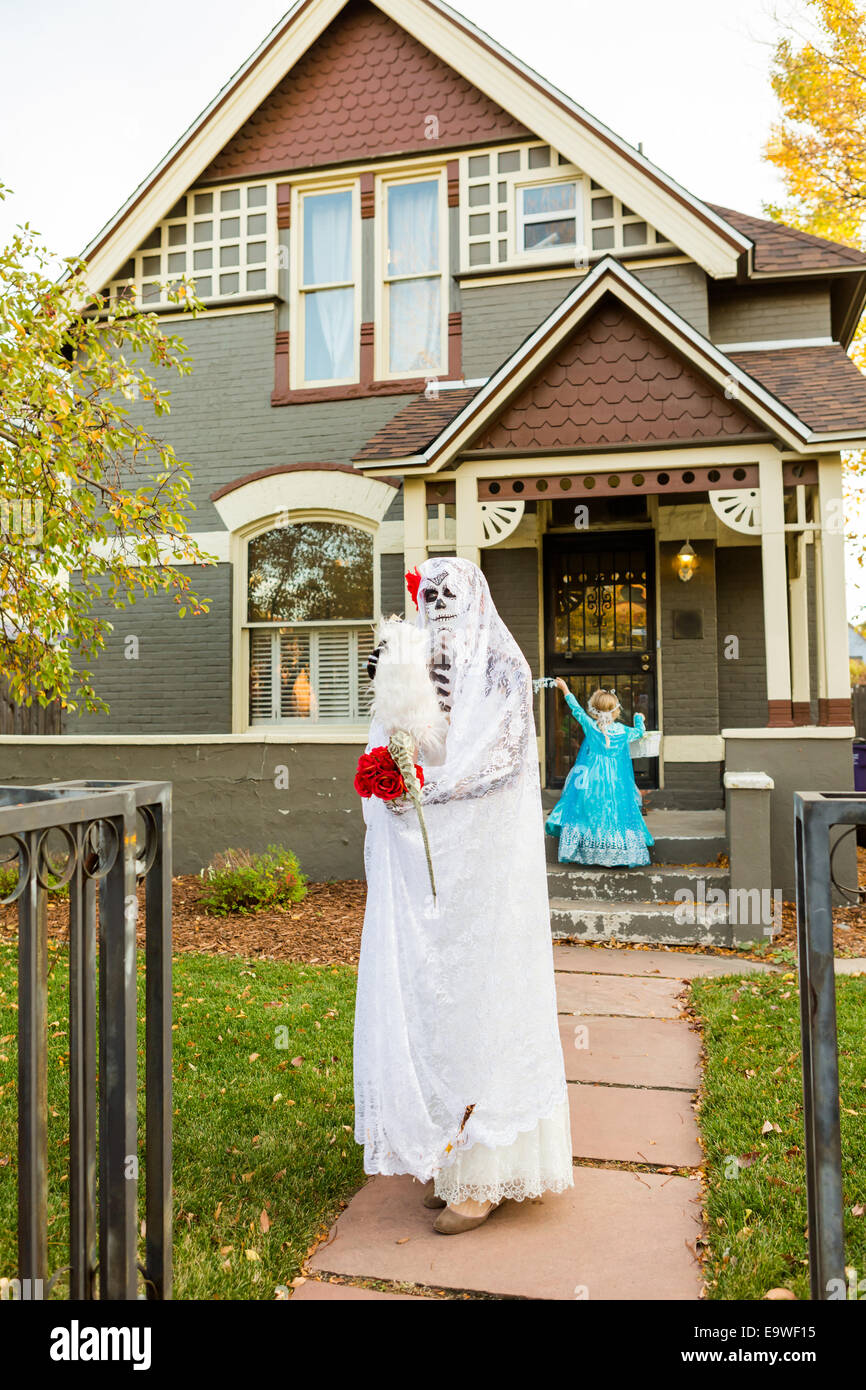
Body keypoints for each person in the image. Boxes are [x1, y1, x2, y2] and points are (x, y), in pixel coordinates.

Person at [354, 558, 573, 1234]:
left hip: (487, 872)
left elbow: (500, 761)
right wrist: (394, 775)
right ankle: (456, 1159)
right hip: (435, 871)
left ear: (474, 598)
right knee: (440, 1006)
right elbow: (410, 743)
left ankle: (489, 1173)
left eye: (452, 597)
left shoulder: (503, 669)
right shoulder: (415, 670)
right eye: (432, 598)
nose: (440, 607)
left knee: (487, 1003)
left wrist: (432, 790)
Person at [545, 681, 654, 867]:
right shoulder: (623, 731)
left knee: (587, 810)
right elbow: (639, 733)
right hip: (616, 779)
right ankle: (614, 850)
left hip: (590, 777)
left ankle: (589, 849)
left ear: (594, 710)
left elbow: (575, 709)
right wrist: (639, 718)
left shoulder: (590, 726)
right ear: (616, 710)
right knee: (614, 811)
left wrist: (565, 689)